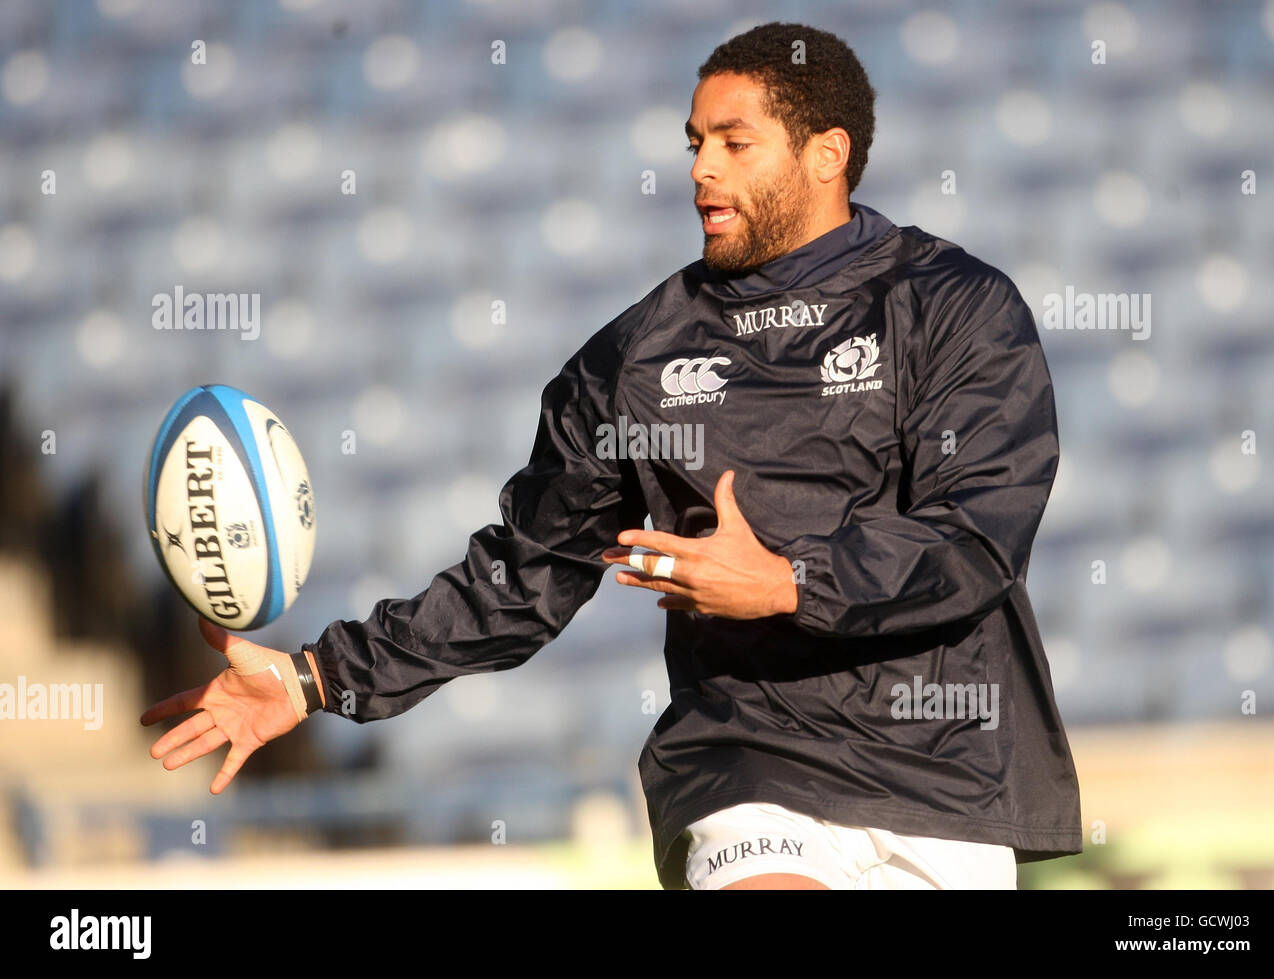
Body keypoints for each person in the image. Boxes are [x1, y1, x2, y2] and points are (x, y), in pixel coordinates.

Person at [142, 22, 1082, 890]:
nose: (700, 170)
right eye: (694, 142)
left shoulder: (958, 307)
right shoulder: (637, 356)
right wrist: (317, 677)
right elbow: (522, 574)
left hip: (946, 770)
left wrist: (792, 580)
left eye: (733, 142)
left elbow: (975, 539)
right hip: (747, 761)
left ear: (826, 154)